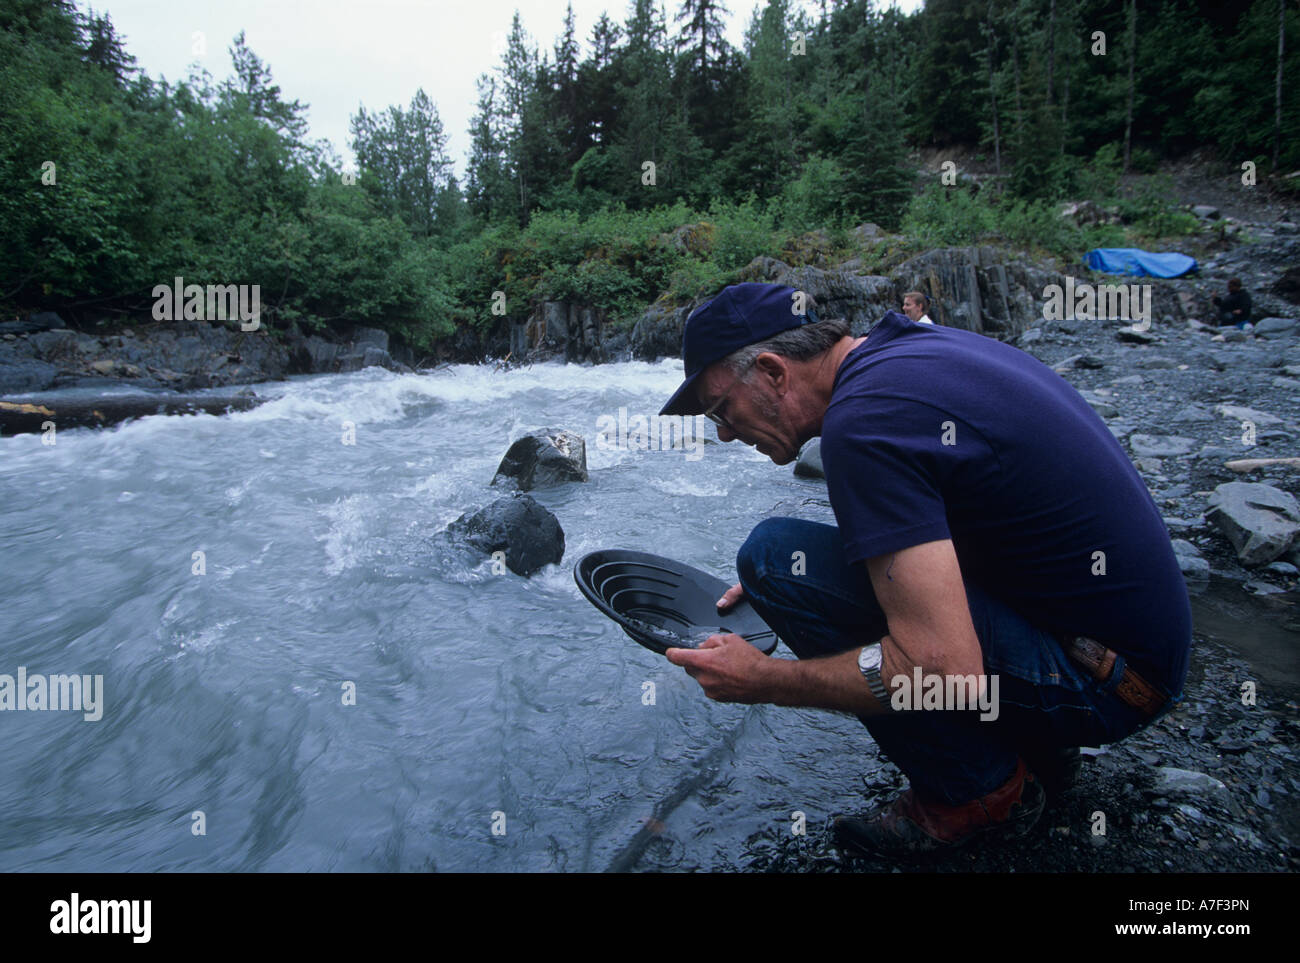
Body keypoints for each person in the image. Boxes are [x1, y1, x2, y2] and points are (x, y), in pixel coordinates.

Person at [657, 282, 1191, 857]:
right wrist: (814, 575)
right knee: (790, 562)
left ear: (772, 371)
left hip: (1105, 684)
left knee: (772, 555)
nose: (724, 433)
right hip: (1132, 652)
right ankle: (1039, 748)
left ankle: (978, 794)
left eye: (721, 409)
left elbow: (942, 670)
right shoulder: (913, 352)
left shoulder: (861, 425)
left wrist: (766, 682)